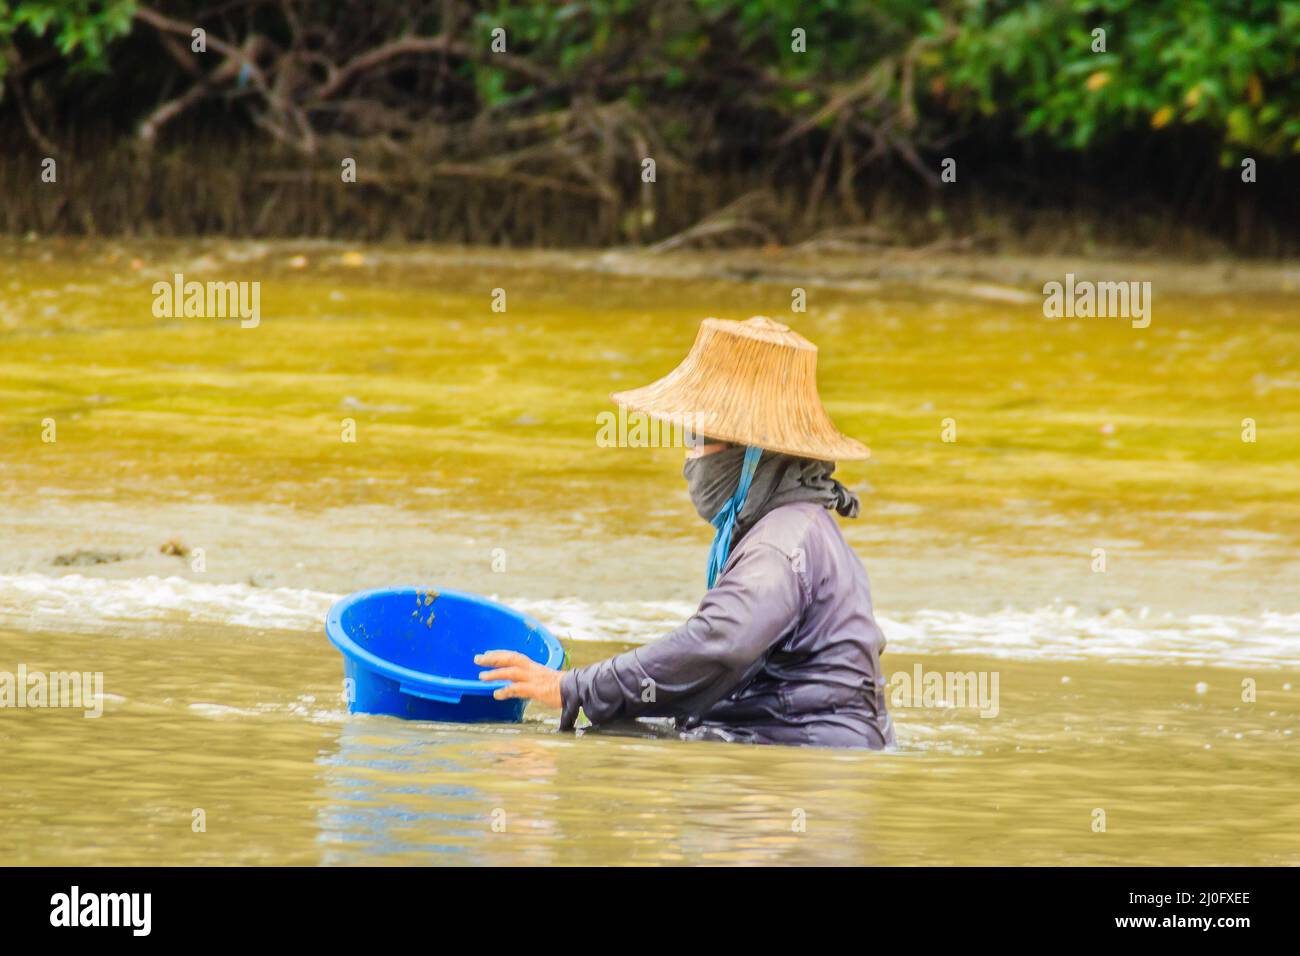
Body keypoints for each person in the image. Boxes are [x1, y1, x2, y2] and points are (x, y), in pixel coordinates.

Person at [476, 316, 895, 748]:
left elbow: (721, 642)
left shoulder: (778, 545)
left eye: (696, 438)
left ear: (752, 455)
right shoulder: (800, 525)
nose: (689, 459)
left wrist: (573, 688)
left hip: (804, 764)